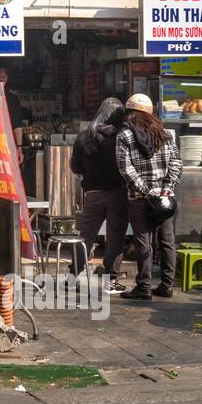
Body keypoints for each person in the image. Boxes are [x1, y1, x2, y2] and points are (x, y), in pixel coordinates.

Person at [114, 93, 181, 300]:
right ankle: (167, 285)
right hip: (165, 199)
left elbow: (126, 170)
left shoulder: (124, 135)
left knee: (143, 241)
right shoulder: (164, 133)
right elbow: (177, 164)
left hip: (139, 198)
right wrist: (166, 189)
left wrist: (147, 191)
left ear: (130, 112)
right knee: (167, 241)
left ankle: (143, 286)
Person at [70, 97, 128, 286]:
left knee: (86, 235)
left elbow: (76, 168)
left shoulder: (84, 137)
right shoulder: (122, 137)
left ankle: (74, 273)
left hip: (92, 194)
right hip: (118, 193)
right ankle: (111, 276)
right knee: (115, 236)